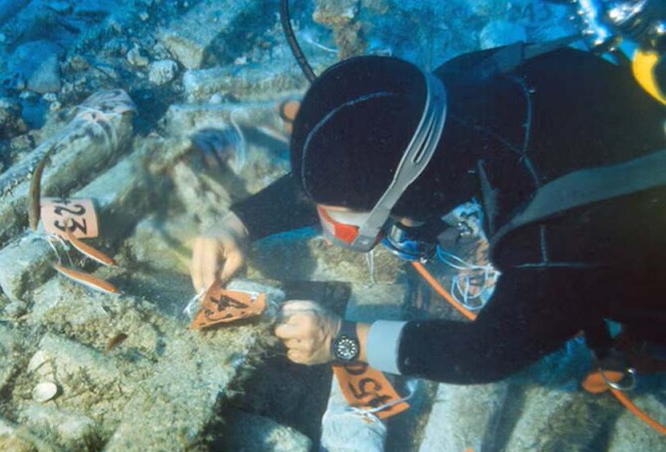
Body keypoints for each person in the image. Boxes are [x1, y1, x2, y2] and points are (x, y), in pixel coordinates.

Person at [190, 46, 666, 384]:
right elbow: (357, 157)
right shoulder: (453, 87)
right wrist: (239, 223)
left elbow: (485, 355)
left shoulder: (552, 236)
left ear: (415, 193)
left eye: (347, 217)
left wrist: (342, 340)